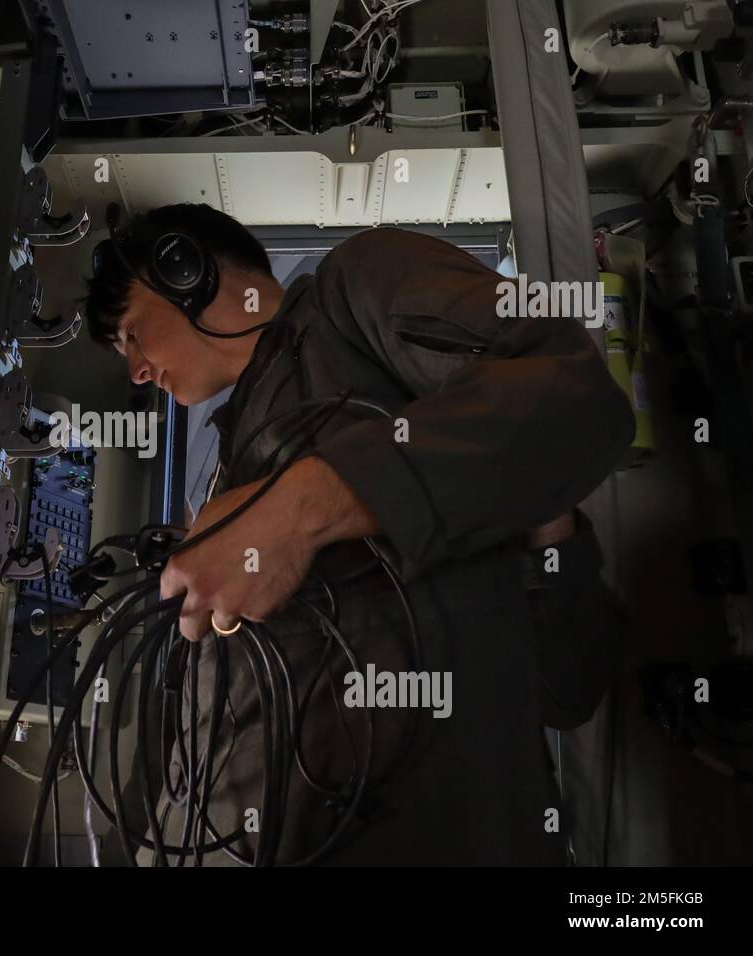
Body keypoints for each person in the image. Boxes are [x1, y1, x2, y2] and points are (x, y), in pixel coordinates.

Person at [84, 203, 634, 865]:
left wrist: (305, 507)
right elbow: (562, 690)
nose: (137, 371)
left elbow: (573, 397)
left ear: (185, 272)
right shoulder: (228, 472)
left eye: (133, 335)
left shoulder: (353, 291)